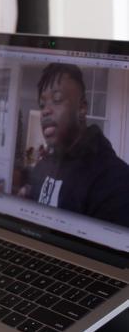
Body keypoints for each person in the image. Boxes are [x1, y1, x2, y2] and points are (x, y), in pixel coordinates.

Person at [21, 63, 129, 227]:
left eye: (57, 100)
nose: (45, 111)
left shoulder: (115, 180)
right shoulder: (41, 167)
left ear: (82, 109)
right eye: (42, 105)